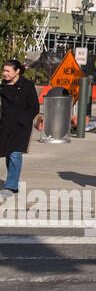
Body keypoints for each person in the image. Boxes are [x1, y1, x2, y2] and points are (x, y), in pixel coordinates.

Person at [0, 60, 40, 199]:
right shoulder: (2, 86)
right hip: (5, 126)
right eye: (4, 70)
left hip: (21, 126)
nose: (5, 73)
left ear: (17, 71)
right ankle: (13, 182)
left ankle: (11, 185)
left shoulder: (27, 86)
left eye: (8, 71)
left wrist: (22, 121)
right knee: (7, 153)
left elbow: (34, 107)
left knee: (15, 154)